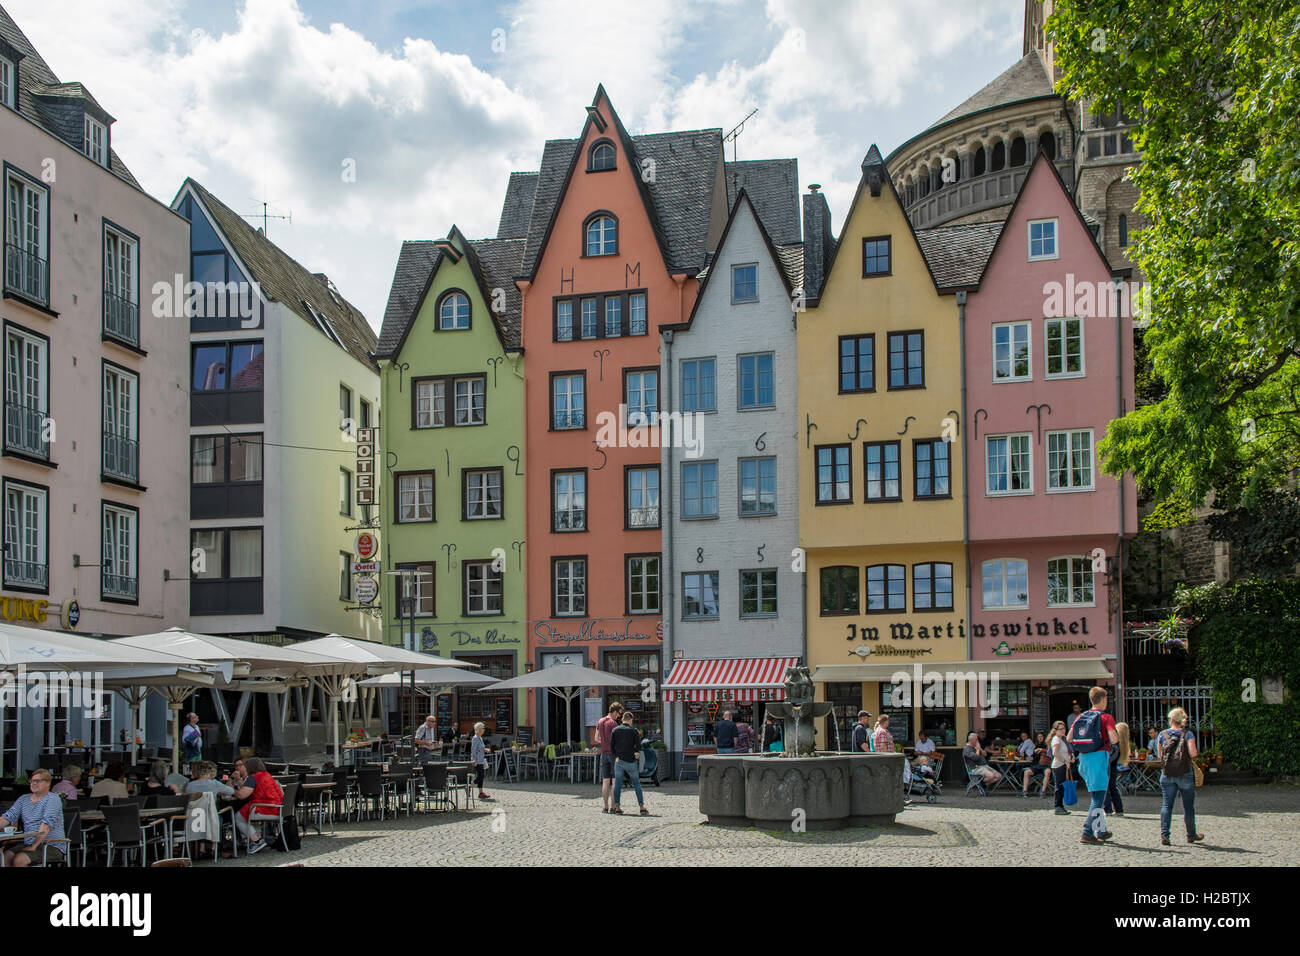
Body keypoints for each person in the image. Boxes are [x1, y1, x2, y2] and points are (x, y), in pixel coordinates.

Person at [1067, 686, 1119, 845]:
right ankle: (1087, 832)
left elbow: (1070, 738)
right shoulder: (1106, 717)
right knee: (1098, 798)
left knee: (1097, 795)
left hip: (1084, 759)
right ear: (1103, 700)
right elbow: (1114, 739)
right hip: (1098, 758)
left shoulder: (1081, 716)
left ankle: (1101, 830)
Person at [1156, 707, 1204, 846]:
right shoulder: (1187, 734)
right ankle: (1191, 834)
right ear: (1182, 720)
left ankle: (1165, 835)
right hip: (1184, 773)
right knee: (1188, 806)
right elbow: (1193, 753)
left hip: (1167, 774)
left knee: (1166, 805)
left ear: (1171, 719)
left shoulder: (1162, 734)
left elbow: (1160, 756)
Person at [0, 769, 66, 867]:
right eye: (32, 781)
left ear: (48, 783)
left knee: (19, 860)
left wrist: (34, 846)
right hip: (28, 843)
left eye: (38, 781)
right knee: (5, 856)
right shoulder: (23, 799)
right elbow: (8, 817)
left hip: (51, 845)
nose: (34, 783)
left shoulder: (53, 799)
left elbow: (46, 824)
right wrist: (31, 845)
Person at [235, 756, 282, 854]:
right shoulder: (267, 775)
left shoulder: (253, 778)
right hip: (277, 808)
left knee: (238, 817)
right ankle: (256, 838)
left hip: (266, 808)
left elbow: (242, 795)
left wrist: (231, 791)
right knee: (244, 814)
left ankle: (257, 841)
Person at [609, 710, 648, 815]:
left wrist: (616, 756)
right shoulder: (634, 731)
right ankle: (641, 807)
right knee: (636, 784)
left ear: (622, 720)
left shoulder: (615, 730)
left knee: (617, 784)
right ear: (630, 720)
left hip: (619, 761)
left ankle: (617, 807)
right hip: (631, 761)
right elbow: (638, 746)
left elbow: (611, 746)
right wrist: (635, 754)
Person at [596, 702, 624, 812]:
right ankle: (613, 806)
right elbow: (616, 741)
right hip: (613, 754)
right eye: (619, 714)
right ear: (615, 712)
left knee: (605, 781)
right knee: (615, 781)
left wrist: (604, 743)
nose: (619, 716)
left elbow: (596, 738)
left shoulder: (600, 721)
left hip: (603, 754)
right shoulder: (613, 724)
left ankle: (605, 806)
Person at [1104, 721, 1131, 817]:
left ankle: (1107, 809)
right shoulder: (1123, 744)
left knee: (1106, 788)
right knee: (1112, 788)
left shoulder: (1114, 743)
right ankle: (1118, 809)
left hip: (1108, 767)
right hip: (1113, 768)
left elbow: (1109, 756)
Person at [1048, 721, 1073, 813]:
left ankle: (1060, 806)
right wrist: (1065, 760)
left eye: (1064, 728)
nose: (1063, 731)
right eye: (1060, 729)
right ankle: (1058, 806)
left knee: (1062, 786)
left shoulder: (1064, 738)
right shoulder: (1056, 739)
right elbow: (1055, 753)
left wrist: (1071, 756)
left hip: (1064, 765)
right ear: (1055, 730)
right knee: (1059, 786)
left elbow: (1068, 750)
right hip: (1059, 765)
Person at [470, 721, 492, 801]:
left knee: (481, 776)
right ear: (478, 729)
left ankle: (481, 792)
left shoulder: (480, 738)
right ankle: (469, 786)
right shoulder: (475, 738)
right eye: (483, 728)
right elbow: (473, 750)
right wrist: (474, 760)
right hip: (477, 761)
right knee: (480, 776)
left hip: (481, 759)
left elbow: (480, 748)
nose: (484, 730)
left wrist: (485, 749)